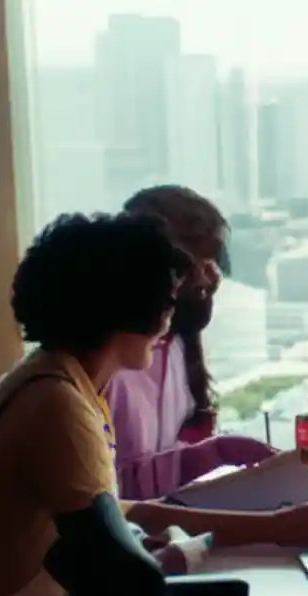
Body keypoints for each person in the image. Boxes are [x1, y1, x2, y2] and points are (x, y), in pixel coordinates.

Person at [0, 214, 308, 596]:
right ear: (128, 306)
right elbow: (129, 585)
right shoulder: (58, 404)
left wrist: (277, 527)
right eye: (167, 302)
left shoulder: (49, 377)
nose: (170, 319)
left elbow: (114, 511)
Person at [105, 185, 275, 500]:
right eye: (193, 263)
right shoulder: (109, 365)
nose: (207, 278)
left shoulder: (176, 347)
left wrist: (219, 452)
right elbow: (105, 497)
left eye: (212, 261)